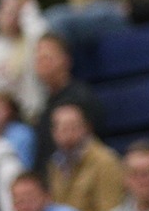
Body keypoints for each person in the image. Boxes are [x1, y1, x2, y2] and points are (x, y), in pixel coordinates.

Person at [45, 106, 124, 211]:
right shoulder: (55, 164)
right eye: (62, 128)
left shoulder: (105, 161)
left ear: (86, 128)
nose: (68, 134)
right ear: (54, 133)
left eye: (73, 127)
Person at [28, 36, 99, 174]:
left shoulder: (80, 98)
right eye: (38, 59)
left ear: (66, 60)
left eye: (47, 57)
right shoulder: (46, 102)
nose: (41, 63)